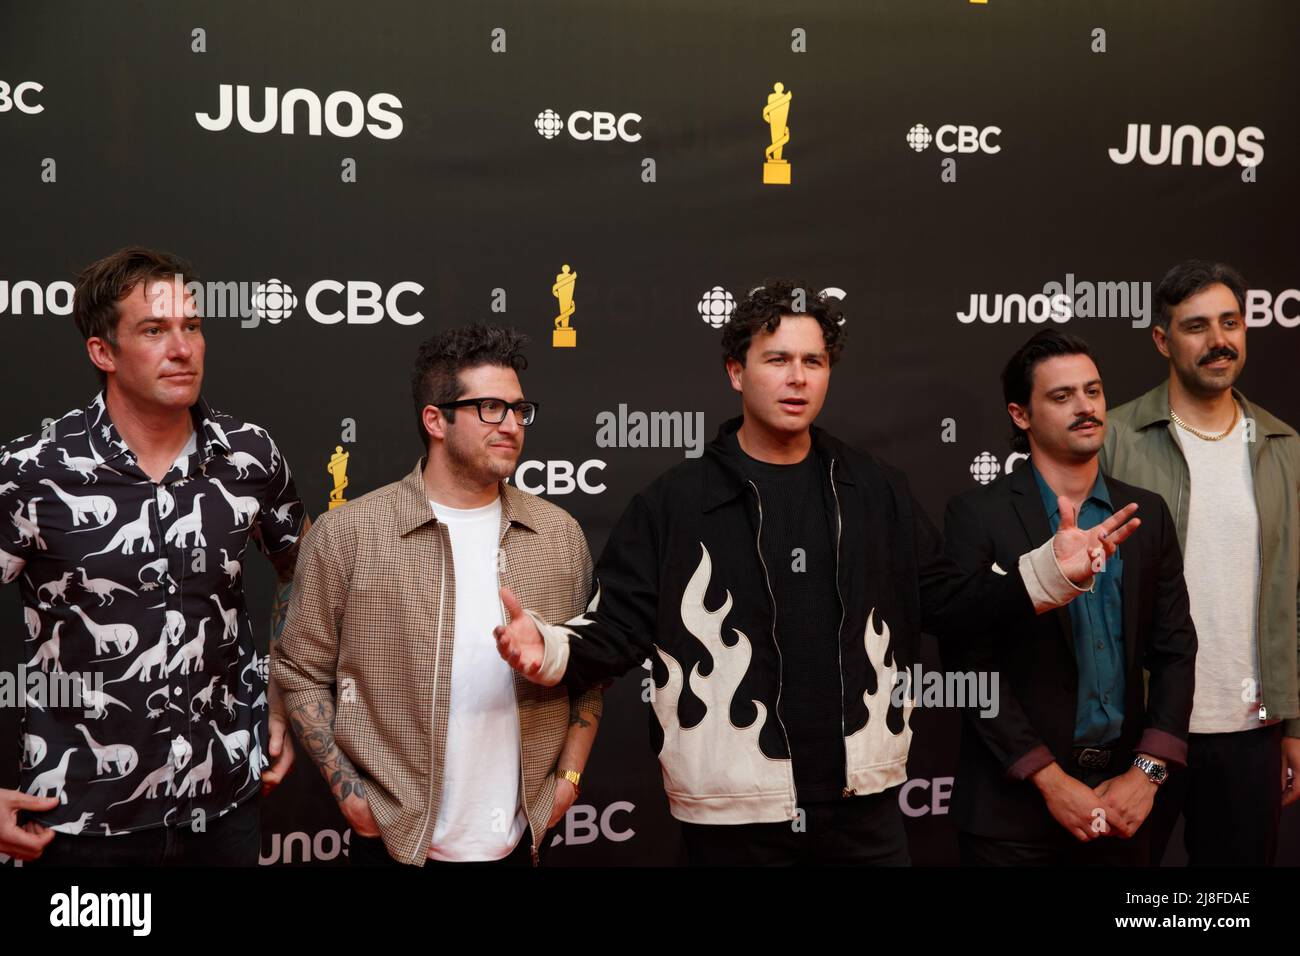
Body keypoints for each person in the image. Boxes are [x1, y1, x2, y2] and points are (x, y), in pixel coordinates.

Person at [493, 280, 1139, 865]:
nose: (797, 378)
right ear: (735, 372)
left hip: (865, 811)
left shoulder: (875, 489)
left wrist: (1048, 573)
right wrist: (546, 648)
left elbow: (944, 600)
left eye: (814, 362)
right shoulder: (675, 503)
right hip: (733, 820)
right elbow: (618, 629)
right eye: (777, 360)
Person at [0, 247, 302, 865]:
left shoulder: (248, 457)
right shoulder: (32, 472)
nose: (183, 348)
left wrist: (280, 693)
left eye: (192, 326)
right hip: (79, 823)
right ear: (103, 352)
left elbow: (304, 575)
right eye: (154, 330)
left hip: (225, 806)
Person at [275, 324, 602, 867]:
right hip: (393, 842)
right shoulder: (349, 534)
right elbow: (300, 670)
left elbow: (589, 672)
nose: (511, 425)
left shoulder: (558, 535)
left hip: (521, 839)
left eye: (519, 410)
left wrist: (567, 780)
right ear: (435, 420)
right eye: (490, 408)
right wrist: (348, 792)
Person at [941, 329, 1196, 865]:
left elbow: (1175, 651)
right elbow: (969, 666)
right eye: (1062, 396)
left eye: (1093, 391)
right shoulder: (976, 516)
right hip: (1013, 815)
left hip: (1123, 804)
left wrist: (1147, 773)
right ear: (1021, 415)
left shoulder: (1144, 515)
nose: (1085, 407)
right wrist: (1049, 780)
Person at [1101, 260, 1300, 865]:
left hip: (1251, 727)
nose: (1219, 341)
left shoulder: (1284, 447)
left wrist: (1292, 722)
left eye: (1230, 323)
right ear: (1163, 340)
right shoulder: (1113, 438)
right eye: (1197, 327)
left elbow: (1293, 597)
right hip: (1140, 725)